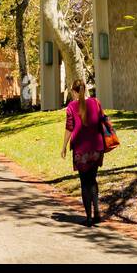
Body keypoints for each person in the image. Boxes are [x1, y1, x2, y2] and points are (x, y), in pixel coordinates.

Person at [60, 79, 105, 226]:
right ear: (84, 89)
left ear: (73, 91)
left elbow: (69, 128)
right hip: (96, 147)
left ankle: (89, 217)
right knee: (92, 180)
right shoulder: (96, 102)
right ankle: (97, 212)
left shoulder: (72, 107)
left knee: (85, 183)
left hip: (81, 151)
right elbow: (102, 122)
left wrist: (64, 146)